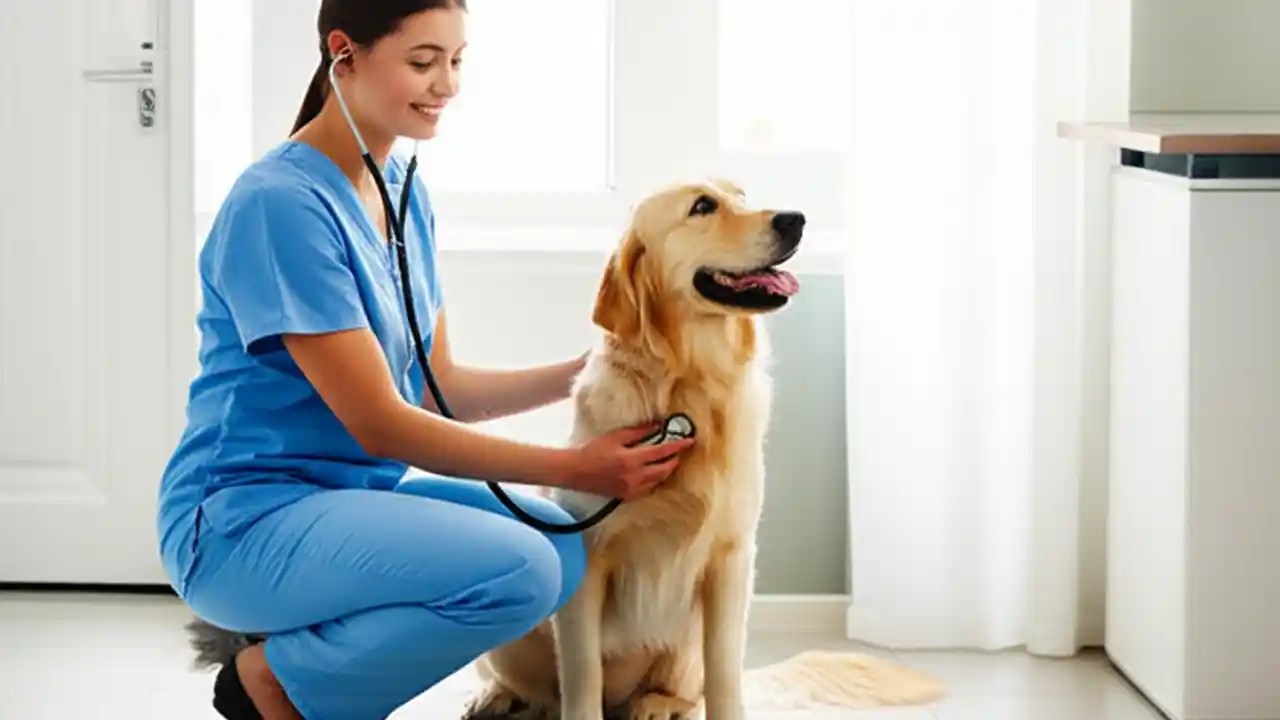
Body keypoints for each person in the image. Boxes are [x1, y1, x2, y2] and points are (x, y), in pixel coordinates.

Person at [155, 2, 695, 718]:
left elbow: (436, 388)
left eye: (457, 60)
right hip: (238, 523)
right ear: (342, 53)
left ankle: (300, 669)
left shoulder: (404, 191)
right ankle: (274, 680)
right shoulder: (280, 204)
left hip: (345, 503)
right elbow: (382, 424)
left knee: (559, 552)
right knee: (522, 567)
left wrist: (596, 368)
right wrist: (577, 468)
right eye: (422, 61)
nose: (447, 84)